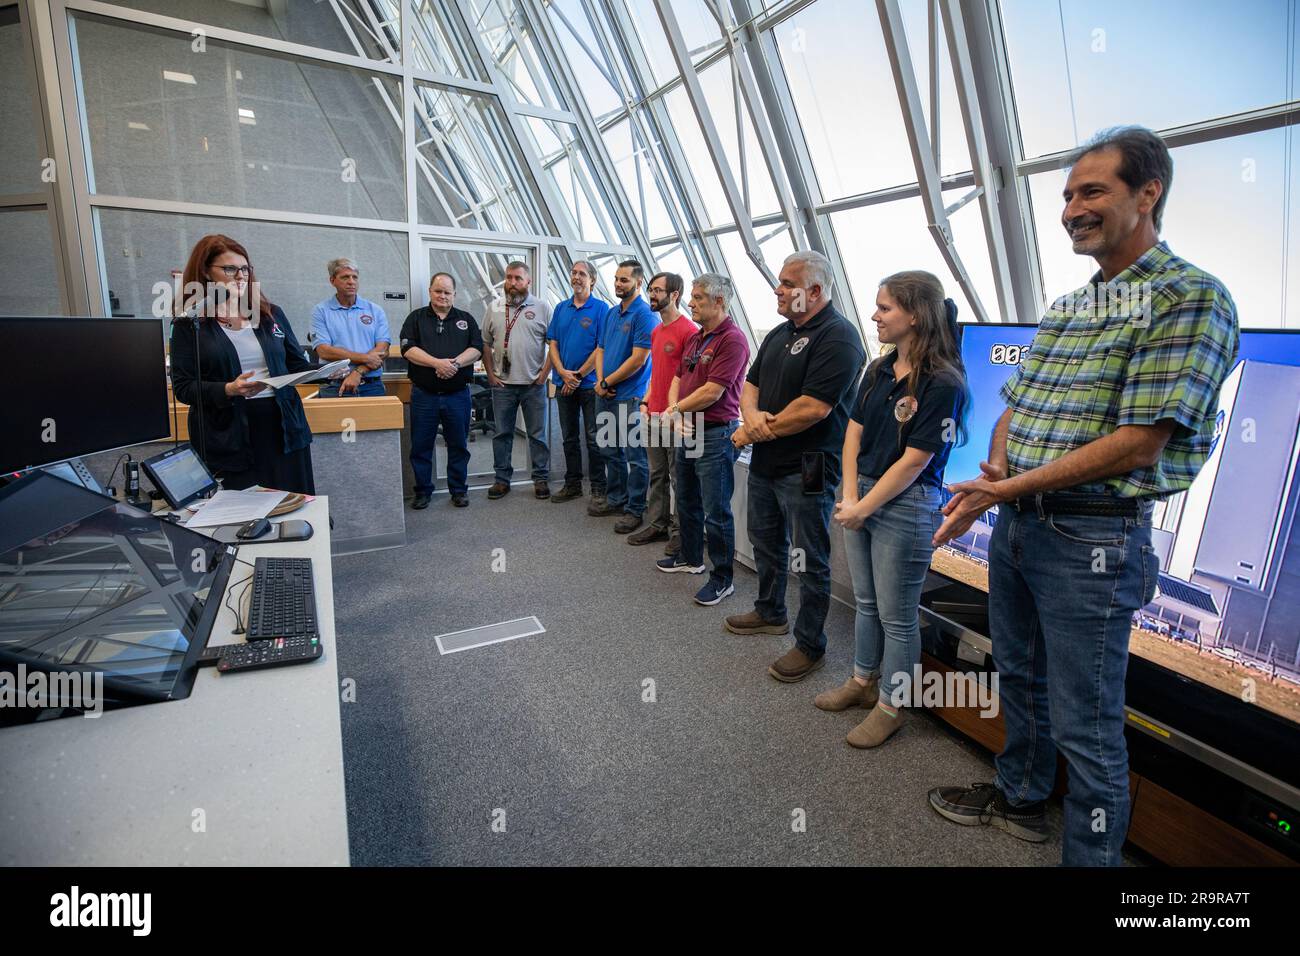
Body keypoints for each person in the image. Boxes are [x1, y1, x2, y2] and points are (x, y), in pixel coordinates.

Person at [928, 126, 1239, 866]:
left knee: (1088, 724)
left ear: (1148, 193)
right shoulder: (1070, 308)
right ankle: (1024, 799)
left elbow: (1138, 443)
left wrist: (1001, 487)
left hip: (1092, 541)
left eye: (1092, 191)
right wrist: (995, 475)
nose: (1072, 208)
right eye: (1067, 194)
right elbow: (1016, 406)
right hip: (1020, 527)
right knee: (1020, 677)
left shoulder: (1190, 298)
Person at [817, 272, 968, 748]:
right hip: (861, 494)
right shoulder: (879, 368)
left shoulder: (944, 383)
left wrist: (863, 507)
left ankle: (891, 705)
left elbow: (914, 461)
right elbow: (853, 433)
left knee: (898, 616)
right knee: (866, 602)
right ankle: (863, 682)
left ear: (916, 316)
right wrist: (849, 496)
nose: (875, 316)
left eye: (884, 308)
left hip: (905, 504)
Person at [727, 250, 865, 682]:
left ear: (815, 291)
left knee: (808, 557)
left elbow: (813, 409)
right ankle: (770, 611)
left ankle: (810, 645)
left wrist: (751, 431)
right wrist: (753, 419)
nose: (778, 290)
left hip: (809, 466)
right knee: (764, 540)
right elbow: (751, 385)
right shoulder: (779, 333)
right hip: (768, 460)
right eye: (780, 282)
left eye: (788, 283)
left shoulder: (840, 338)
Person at [170, 234, 318, 494]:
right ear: (206, 271)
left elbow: (296, 364)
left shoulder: (270, 313)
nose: (240, 276)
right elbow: (183, 387)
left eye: (245, 269)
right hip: (228, 432)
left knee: (293, 505)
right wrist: (227, 389)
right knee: (242, 516)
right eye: (230, 269)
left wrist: (330, 372)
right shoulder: (190, 323)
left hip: (283, 426)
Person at [656, 274, 751, 607]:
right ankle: (691, 557)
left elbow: (713, 391)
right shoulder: (697, 339)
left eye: (697, 298)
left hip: (716, 433)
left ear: (720, 301)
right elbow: (680, 377)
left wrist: (676, 410)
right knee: (686, 499)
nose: (691, 303)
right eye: (692, 297)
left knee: (716, 510)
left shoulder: (733, 340)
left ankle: (723, 579)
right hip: (689, 428)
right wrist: (676, 411)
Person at [400, 272, 483, 509]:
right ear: (430, 292)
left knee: (458, 444)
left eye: (447, 292)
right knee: (421, 446)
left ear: (454, 294)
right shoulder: (416, 318)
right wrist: (438, 364)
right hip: (424, 395)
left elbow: (476, 348)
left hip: (457, 396)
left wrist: (454, 364)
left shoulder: (466, 319)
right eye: (438, 291)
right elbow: (408, 349)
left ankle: (458, 490)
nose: (442, 296)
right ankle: (423, 491)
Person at [630, 271, 697, 551]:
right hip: (652, 413)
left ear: (674, 295)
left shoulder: (690, 331)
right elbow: (658, 373)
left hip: (675, 417)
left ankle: (681, 533)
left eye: (657, 291)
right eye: (650, 290)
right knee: (657, 474)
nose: (652, 296)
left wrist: (676, 412)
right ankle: (657, 524)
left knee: (679, 477)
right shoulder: (656, 331)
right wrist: (646, 401)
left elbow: (690, 380)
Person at [591, 260, 659, 534]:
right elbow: (601, 349)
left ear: (638, 283)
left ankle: (634, 509)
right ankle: (616, 499)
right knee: (609, 450)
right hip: (605, 394)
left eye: (624, 280)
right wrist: (599, 382)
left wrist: (608, 381)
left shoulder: (644, 315)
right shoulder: (611, 313)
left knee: (635, 456)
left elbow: (639, 360)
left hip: (629, 397)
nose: (619, 284)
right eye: (617, 279)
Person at [482, 261, 552, 500]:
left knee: (537, 435)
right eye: (509, 278)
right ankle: (502, 480)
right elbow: (485, 343)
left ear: (528, 282)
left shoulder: (542, 307)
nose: (512, 283)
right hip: (503, 385)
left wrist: (544, 374)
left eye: (517, 279)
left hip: (533, 385)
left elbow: (554, 345)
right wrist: (490, 374)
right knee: (502, 434)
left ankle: (540, 479)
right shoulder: (494, 307)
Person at [546, 260, 609, 504]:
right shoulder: (561, 308)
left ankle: (598, 487)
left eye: (582, 274)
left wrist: (578, 376)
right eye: (573, 273)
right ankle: (572, 484)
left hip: (590, 385)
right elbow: (553, 343)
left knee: (593, 438)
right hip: (563, 383)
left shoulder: (601, 309)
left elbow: (600, 348)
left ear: (592, 280)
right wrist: (562, 372)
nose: (576, 277)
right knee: (569, 436)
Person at [310, 258, 390, 397]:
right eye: (345, 277)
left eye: (355, 277)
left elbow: (382, 349)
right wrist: (366, 358)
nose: (351, 281)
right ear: (332, 280)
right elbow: (324, 351)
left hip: (371, 385)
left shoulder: (375, 310)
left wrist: (358, 372)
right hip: (335, 386)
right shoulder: (320, 311)